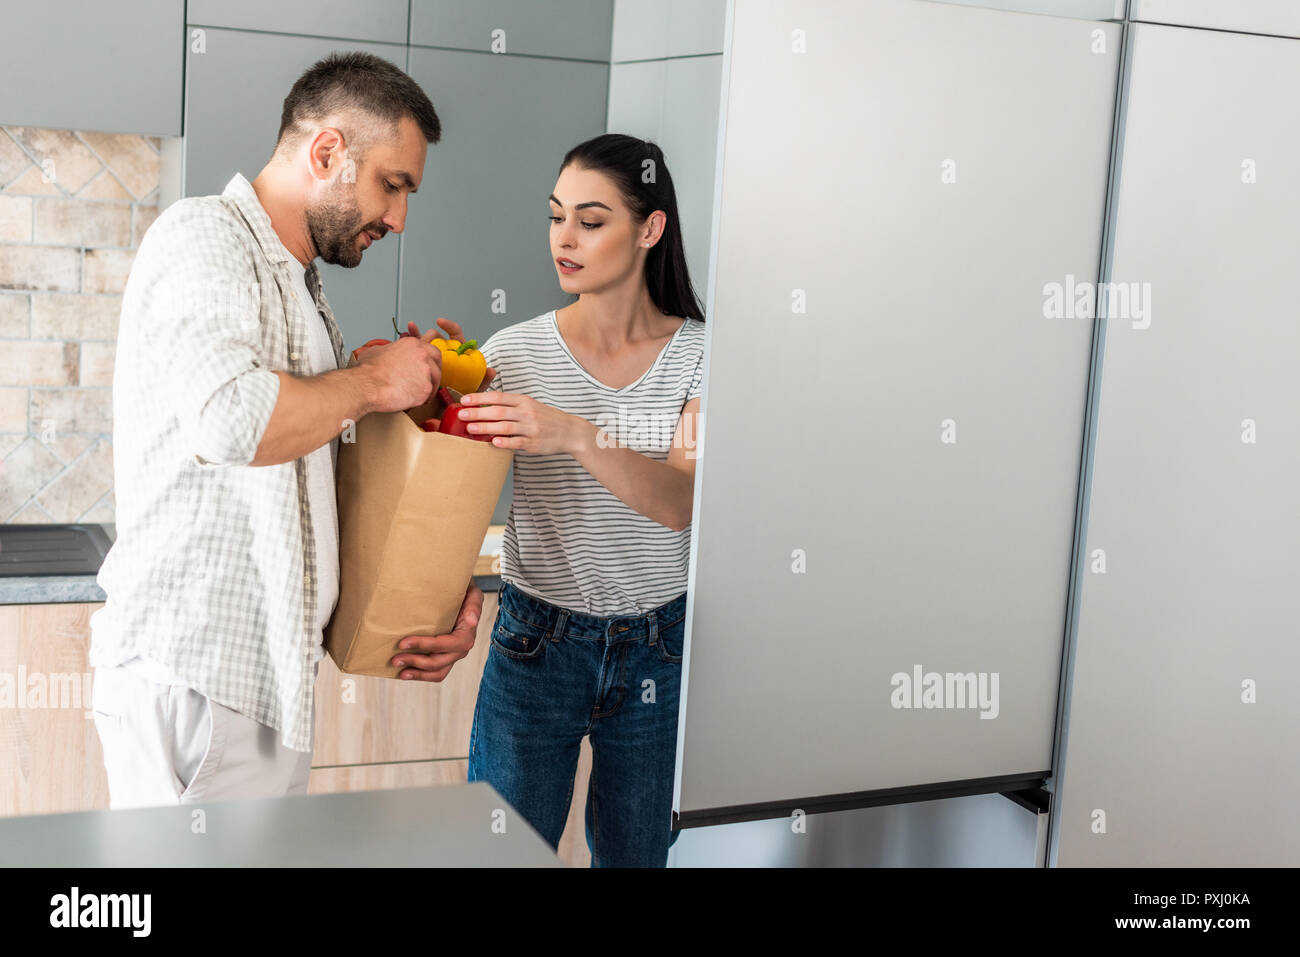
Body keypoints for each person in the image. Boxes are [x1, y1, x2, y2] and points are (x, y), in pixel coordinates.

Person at [89, 52, 493, 808]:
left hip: (264, 692)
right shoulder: (205, 236)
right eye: (392, 184)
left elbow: (297, 500)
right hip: (198, 677)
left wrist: (432, 596)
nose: (399, 218)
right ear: (327, 152)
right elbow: (231, 420)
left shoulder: (300, 288)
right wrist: (370, 384)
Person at [442, 133, 707, 866]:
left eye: (591, 221)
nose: (565, 238)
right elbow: (439, 488)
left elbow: (680, 500)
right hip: (535, 646)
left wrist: (574, 433)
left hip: (660, 651)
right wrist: (441, 375)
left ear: (650, 228)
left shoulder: (704, 357)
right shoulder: (514, 353)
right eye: (556, 216)